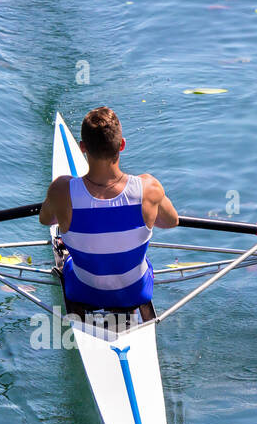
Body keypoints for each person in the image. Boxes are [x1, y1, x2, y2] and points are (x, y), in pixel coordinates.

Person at [39, 107, 178, 327]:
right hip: (135, 292)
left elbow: (46, 220)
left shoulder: (61, 190)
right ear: (122, 144)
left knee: (67, 253)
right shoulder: (149, 188)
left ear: (83, 148)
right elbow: (171, 221)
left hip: (84, 292)